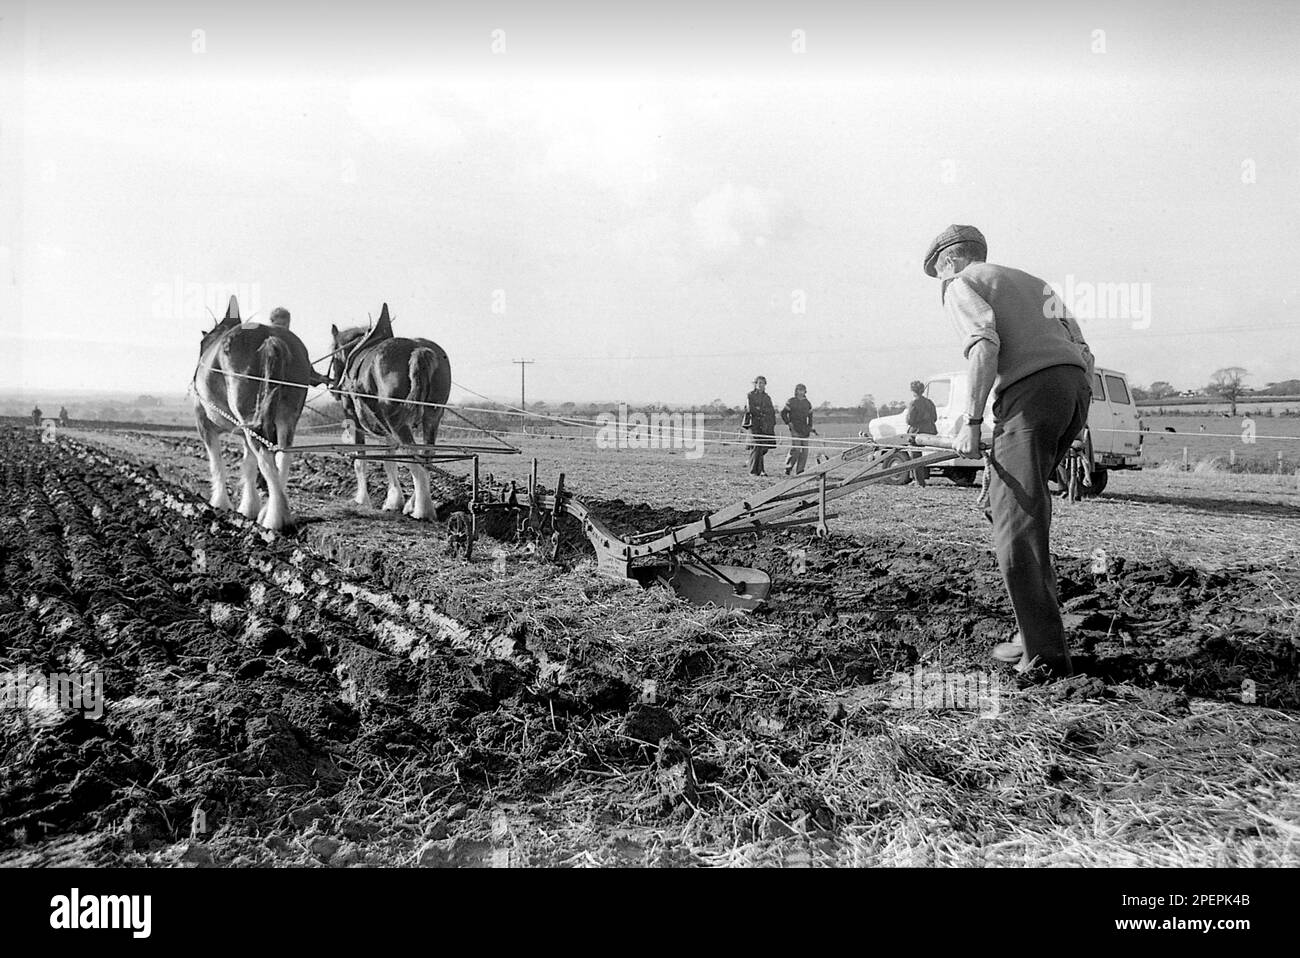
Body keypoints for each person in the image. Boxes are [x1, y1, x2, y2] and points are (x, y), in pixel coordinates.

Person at [925, 224, 1093, 678]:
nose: (940, 283)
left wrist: (973, 422)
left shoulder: (962, 284)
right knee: (1009, 508)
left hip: (1030, 396)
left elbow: (983, 345)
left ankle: (1044, 657)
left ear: (947, 262)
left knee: (1015, 522)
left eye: (938, 273)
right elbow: (1082, 349)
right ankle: (1031, 628)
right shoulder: (1035, 283)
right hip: (1073, 389)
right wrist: (1072, 414)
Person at [904, 379, 938, 486]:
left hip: (917, 432)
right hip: (930, 431)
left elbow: (909, 420)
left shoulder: (914, 403)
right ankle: (919, 479)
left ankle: (919, 481)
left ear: (913, 391)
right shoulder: (929, 402)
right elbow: (935, 418)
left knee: (915, 456)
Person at [742, 376, 776, 476]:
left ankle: (760, 469)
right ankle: (753, 471)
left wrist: (764, 414)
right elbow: (750, 409)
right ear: (755, 384)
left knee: (763, 447)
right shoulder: (750, 395)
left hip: (764, 424)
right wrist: (761, 411)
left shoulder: (767, 397)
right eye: (759, 383)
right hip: (753, 423)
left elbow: (771, 410)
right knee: (756, 446)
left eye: (763, 383)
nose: (761, 385)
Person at [780, 384, 817, 475]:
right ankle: (788, 467)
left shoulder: (807, 403)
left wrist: (810, 427)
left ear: (805, 391)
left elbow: (810, 417)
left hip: (804, 429)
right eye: (799, 390)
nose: (801, 392)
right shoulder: (791, 401)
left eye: (803, 390)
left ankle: (800, 470)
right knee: (796, 449)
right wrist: (789, 423)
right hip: (794, 428)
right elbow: (783, 413)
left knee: (805, 451)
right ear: (796, 391)